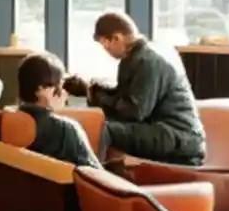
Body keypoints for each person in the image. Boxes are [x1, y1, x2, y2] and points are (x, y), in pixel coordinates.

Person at [64, 11, 205, 165]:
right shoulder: (136, 58)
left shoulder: (149, 61)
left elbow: (135, 111)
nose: (106, 50)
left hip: (178, 137)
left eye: (105, 43)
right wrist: (90, 90)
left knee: (103, 129)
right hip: (167, 131)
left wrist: (95, 96)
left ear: (117, 38)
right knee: (102, 123)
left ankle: (93, 176)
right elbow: (124, 98)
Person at [11, 51, 102, 168]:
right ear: (41, 89)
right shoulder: (67, 129)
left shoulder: (6, 122)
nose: (64, 92)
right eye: (60, 84)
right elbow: (95, 174)